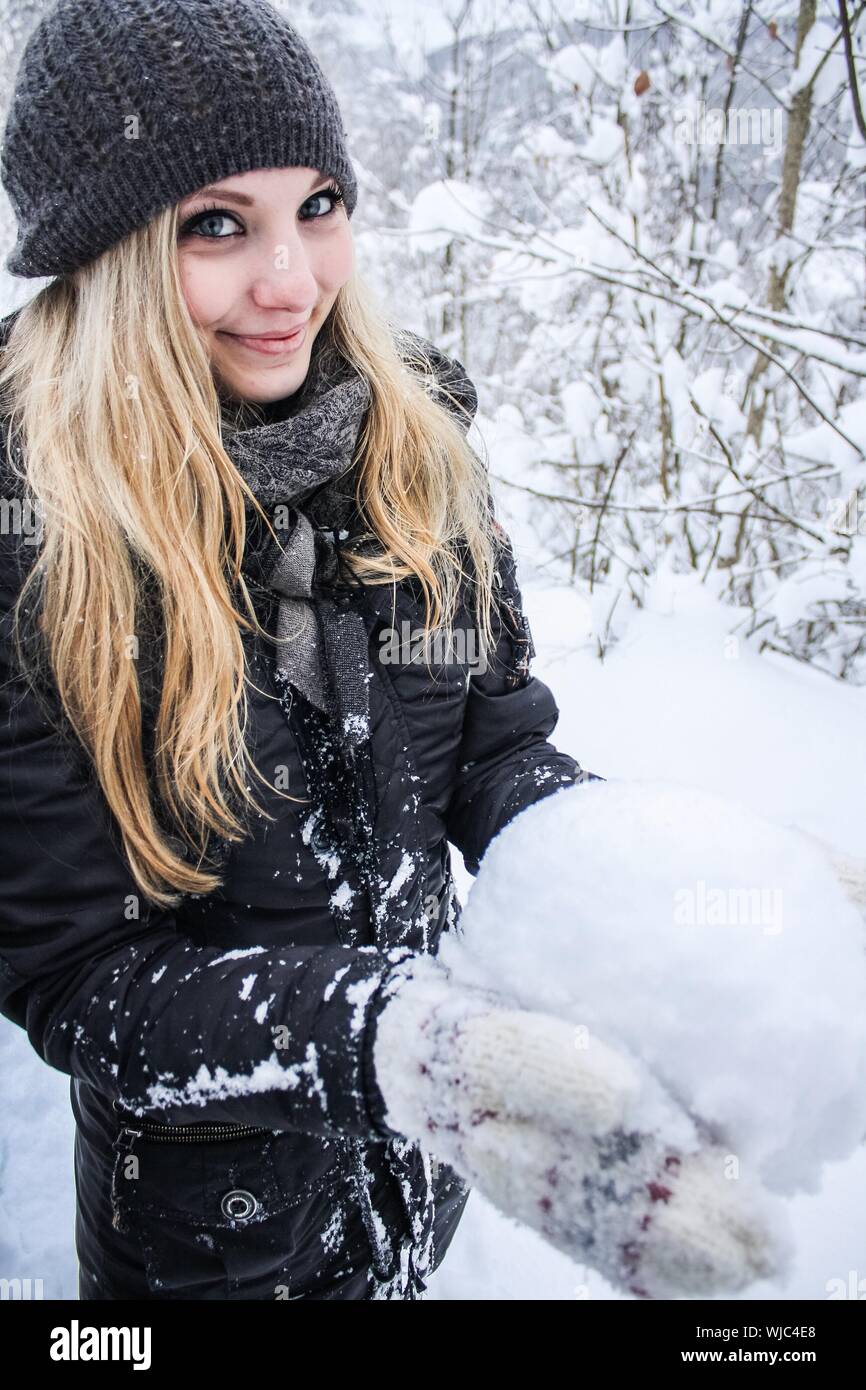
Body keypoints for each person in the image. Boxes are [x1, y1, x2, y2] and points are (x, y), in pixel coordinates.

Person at [0, 0, 781, 1301]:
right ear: (109, 254)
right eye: (215, 224)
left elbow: (492, 747)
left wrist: (642, 888)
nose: (291, 278)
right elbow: (85, 981)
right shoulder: (39, 538)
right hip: (206, 1235)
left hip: (419, 1173)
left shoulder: (409, 451)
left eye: (317, 205)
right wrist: (400, 1041)